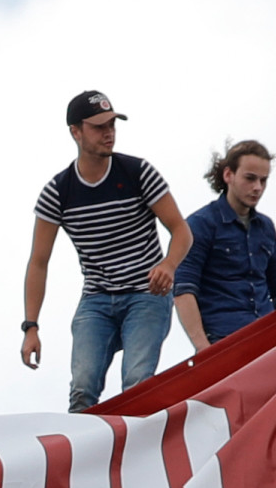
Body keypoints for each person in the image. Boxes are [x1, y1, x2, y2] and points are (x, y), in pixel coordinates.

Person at [21, 90, 193, 412]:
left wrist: (169, 265)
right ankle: (83, 444)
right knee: (82, 388)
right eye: (99, 127)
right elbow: (38, 262)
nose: (109, 132)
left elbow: (181, 230)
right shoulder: (58, 193)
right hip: (97, 299)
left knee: (137, 383)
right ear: (76, 132)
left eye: (112, 124)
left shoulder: (138, 172)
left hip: (146, 293)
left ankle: (139, 442)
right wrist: (31, 326)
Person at [172, 140, 276, 349]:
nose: (257, 187)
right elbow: (183, 290)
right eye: (250, 178)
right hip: (225, 340)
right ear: (228, 175)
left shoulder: (265, 227)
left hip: (270, 338)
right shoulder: (201, 224)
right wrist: (203, 349)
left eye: (263, 180)